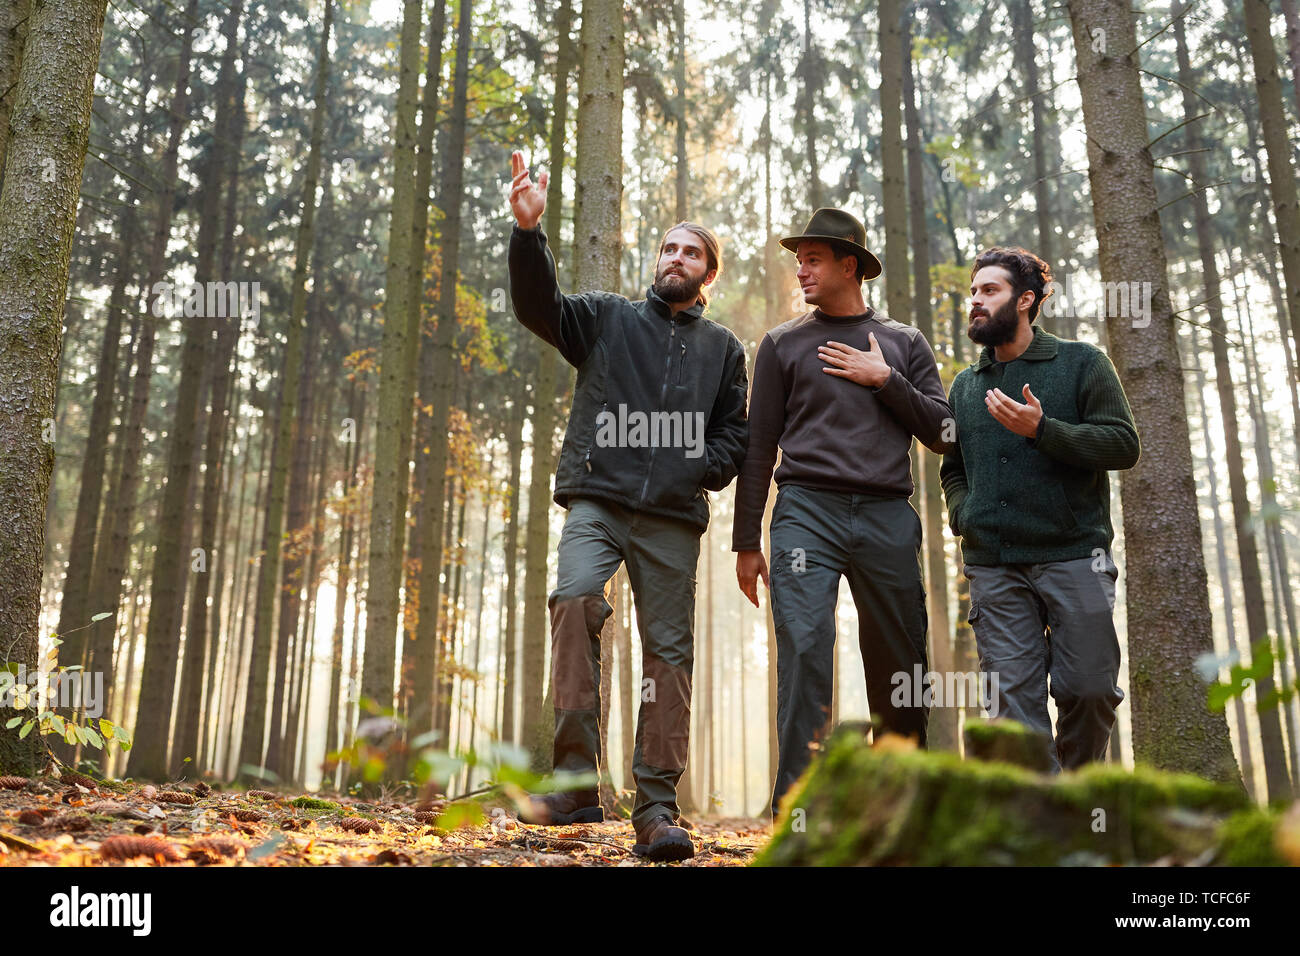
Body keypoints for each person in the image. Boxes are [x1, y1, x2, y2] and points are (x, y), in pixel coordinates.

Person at [505, 150, 748, 861]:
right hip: (598, 500)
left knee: (667, 656)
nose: (676, 258)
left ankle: (657, 809)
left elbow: (735, 431)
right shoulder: (607, 318)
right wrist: (528, 234)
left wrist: (700, 467)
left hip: (672, 518)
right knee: (575, 599)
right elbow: (539, 307)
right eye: (669, 248)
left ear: (708, 273)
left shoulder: (724, 349)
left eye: (691, 252)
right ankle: (575, 782)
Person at [732, 207, 955, 819]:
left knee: (899, 661)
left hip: (887, 514)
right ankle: (796, 813)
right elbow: (758, 446)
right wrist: (746, 540)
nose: (800, 270)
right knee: (806, 646)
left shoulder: (905, 343)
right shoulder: (781, 344)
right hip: (806, 512)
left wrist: (885, 379)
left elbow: (945, 432)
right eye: (798, 261)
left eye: (813, 260)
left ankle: (898, 811)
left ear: (849, 265)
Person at [940, 246, 1140, 771]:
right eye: (973, 291)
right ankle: (1044, 812)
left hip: (1075, 556)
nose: (975, 301)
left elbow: (1123, 445)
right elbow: (953, 468)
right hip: (994, 566)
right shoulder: (965, 386)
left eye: (990, 290)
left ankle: (1079, 795)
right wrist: (963, 514)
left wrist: (1043, 430)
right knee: (1013, 707)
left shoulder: (1082, 363)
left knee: (1091, 690)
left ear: (1026, 300)